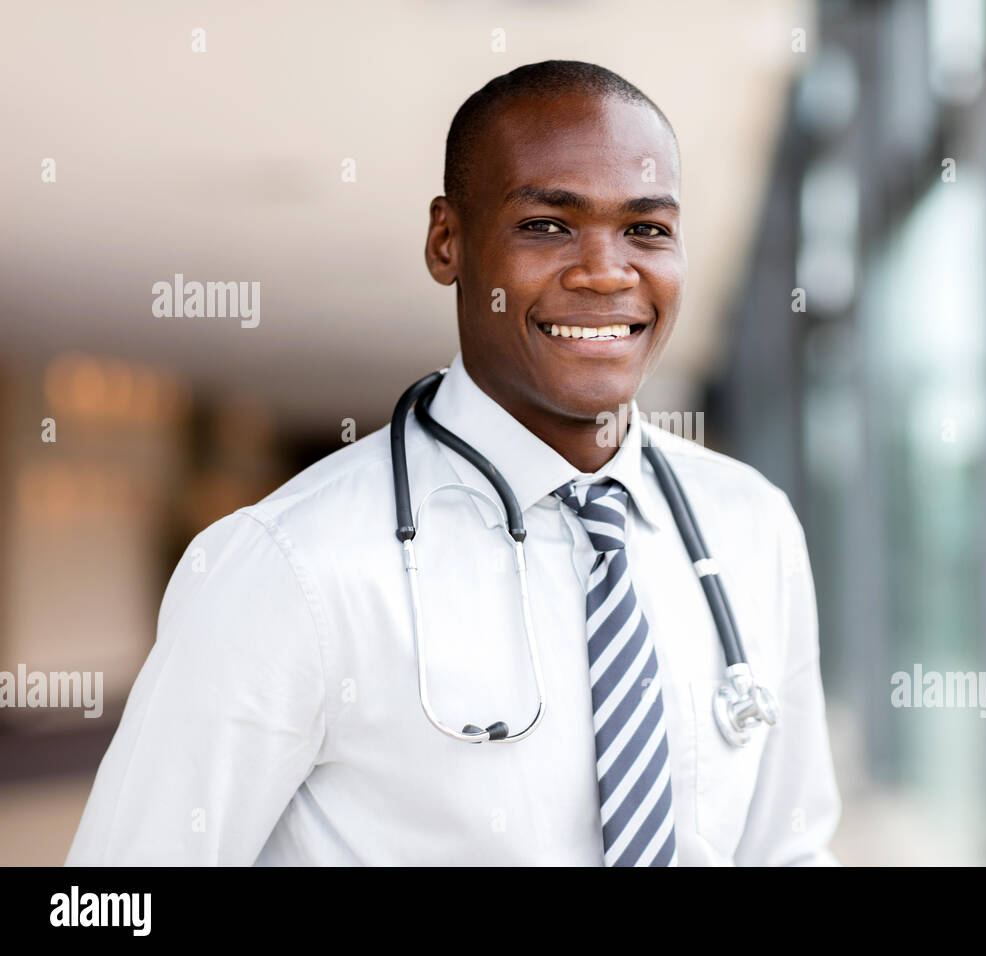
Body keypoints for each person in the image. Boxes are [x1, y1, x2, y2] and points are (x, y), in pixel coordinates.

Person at [66, 59, 842, 866]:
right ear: (448, 242)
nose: (608, 271)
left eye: (647, 228)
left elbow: (789, 850)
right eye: (547, 225)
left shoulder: (750, 525)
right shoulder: (289, 567)